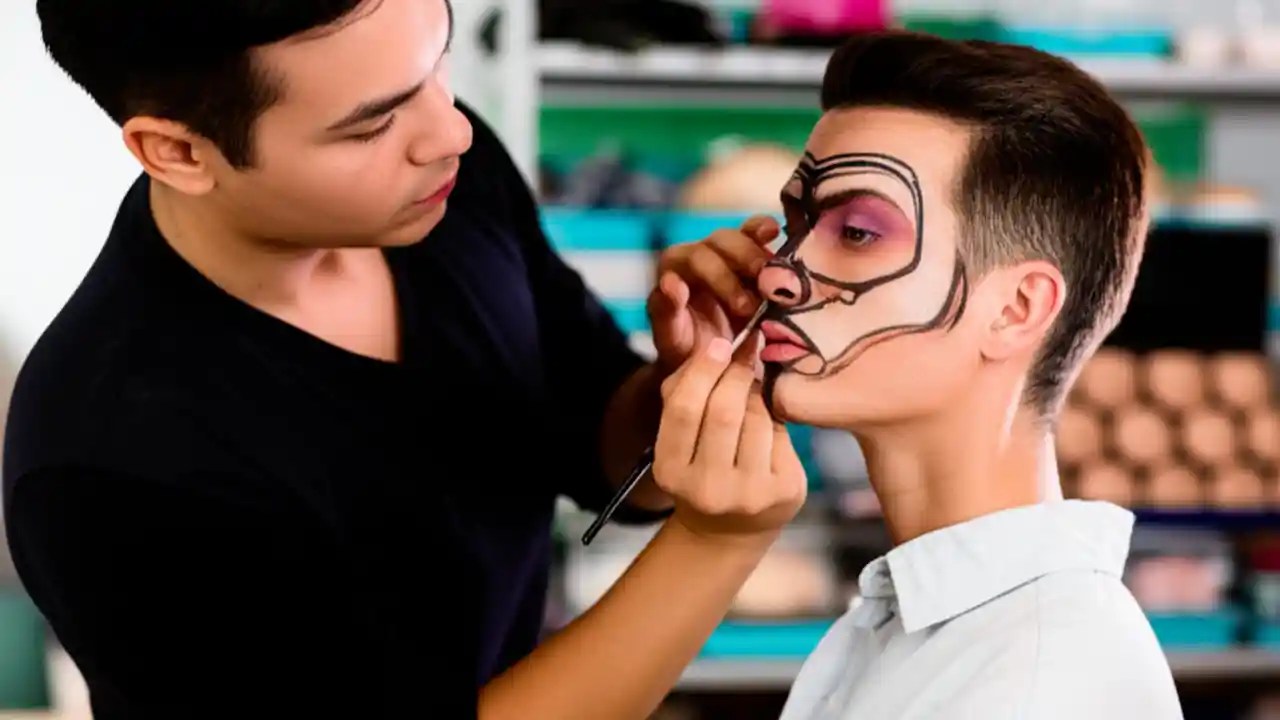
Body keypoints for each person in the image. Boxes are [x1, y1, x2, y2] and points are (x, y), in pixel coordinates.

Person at [2, 1, 805, 718]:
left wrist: (682, 391)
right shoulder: (108, 465)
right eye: (370, 126)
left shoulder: (441, 185)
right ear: (178, 151)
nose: (451, 131)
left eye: (436, 61)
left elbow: (590, 437)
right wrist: (716, 544)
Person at [751, 32, 1184, 719]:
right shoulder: (917, 623)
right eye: (795, 223)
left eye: (857, 233)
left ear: (1015, 310)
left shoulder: (1039, 685)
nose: (778, 273)